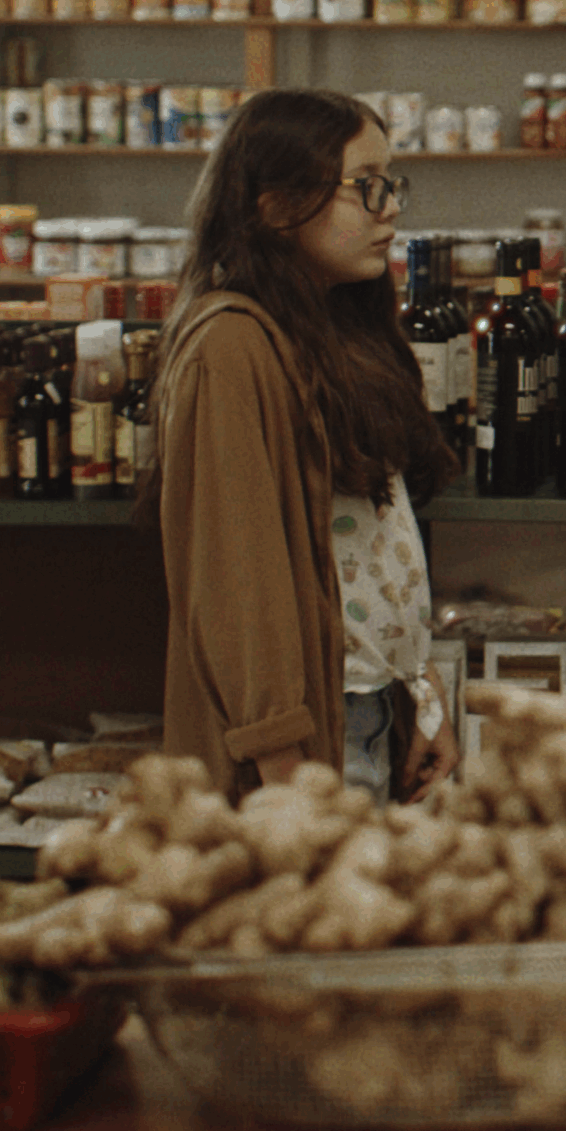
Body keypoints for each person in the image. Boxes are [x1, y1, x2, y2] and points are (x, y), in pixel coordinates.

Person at [143, 88, 461, 802]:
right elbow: (236, 579)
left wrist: (424, 689)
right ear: (275, 203)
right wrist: (283, 765)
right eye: (365, 187)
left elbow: (376, 545)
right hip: (309, 738)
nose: (390, 208)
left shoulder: (337, 328)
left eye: (392, 185)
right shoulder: (232, 344)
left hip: (373, 705)